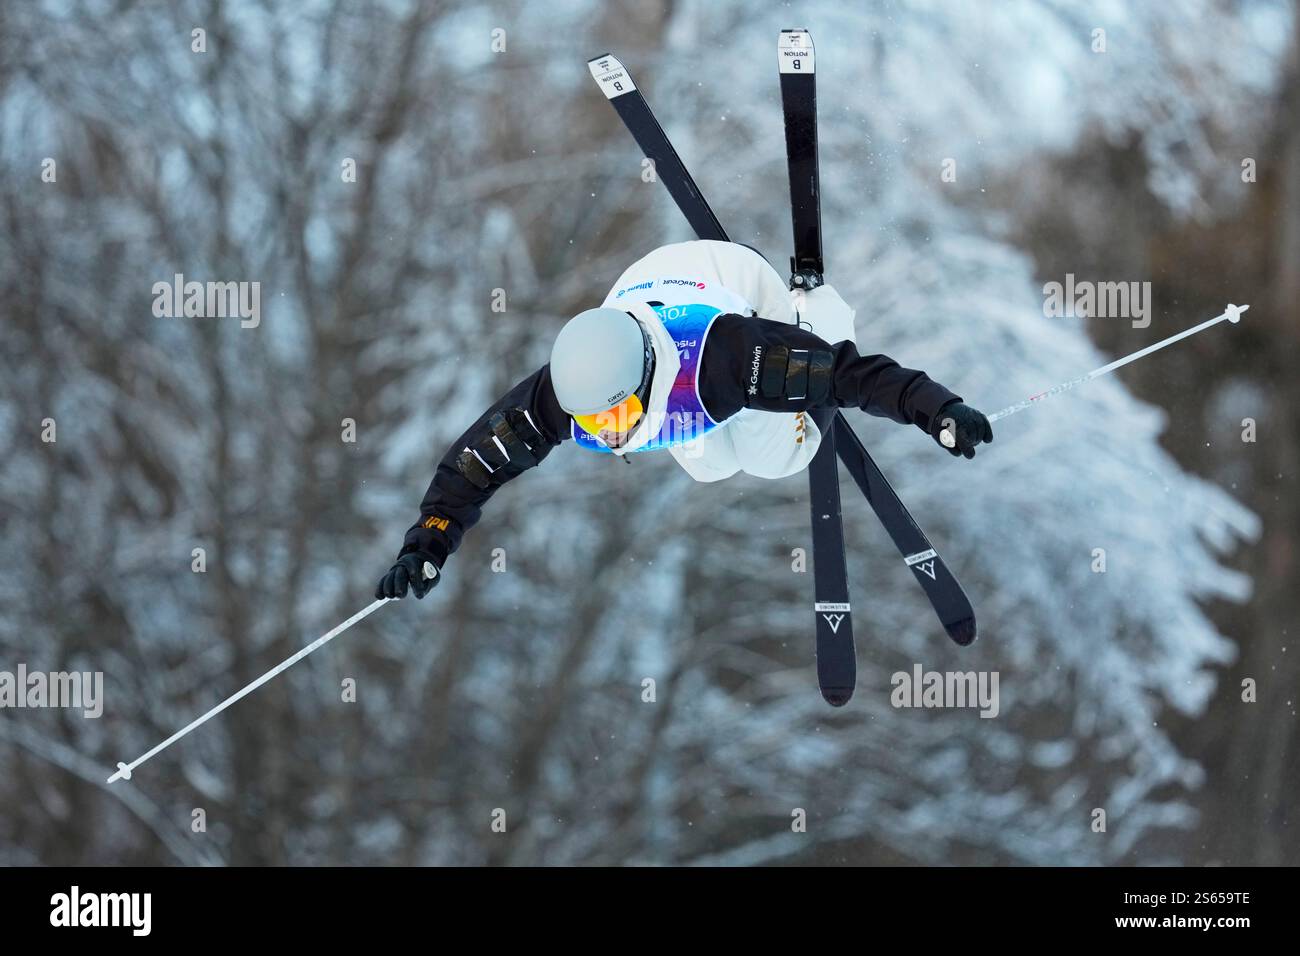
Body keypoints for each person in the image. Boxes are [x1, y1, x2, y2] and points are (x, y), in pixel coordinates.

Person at [376, 240, 992, 600]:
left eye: (617, 411)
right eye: (596, 421)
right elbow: (473, 467)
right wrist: (427, 542)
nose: (610, 428)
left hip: (743, 288)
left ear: (647, 374)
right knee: (709, 468)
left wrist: (935, 408)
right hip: (647, 283)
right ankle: (721, 418)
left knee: (771, 457)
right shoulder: (566, 391)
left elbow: (848, 376)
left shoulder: (730, 358)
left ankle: (817, 308)